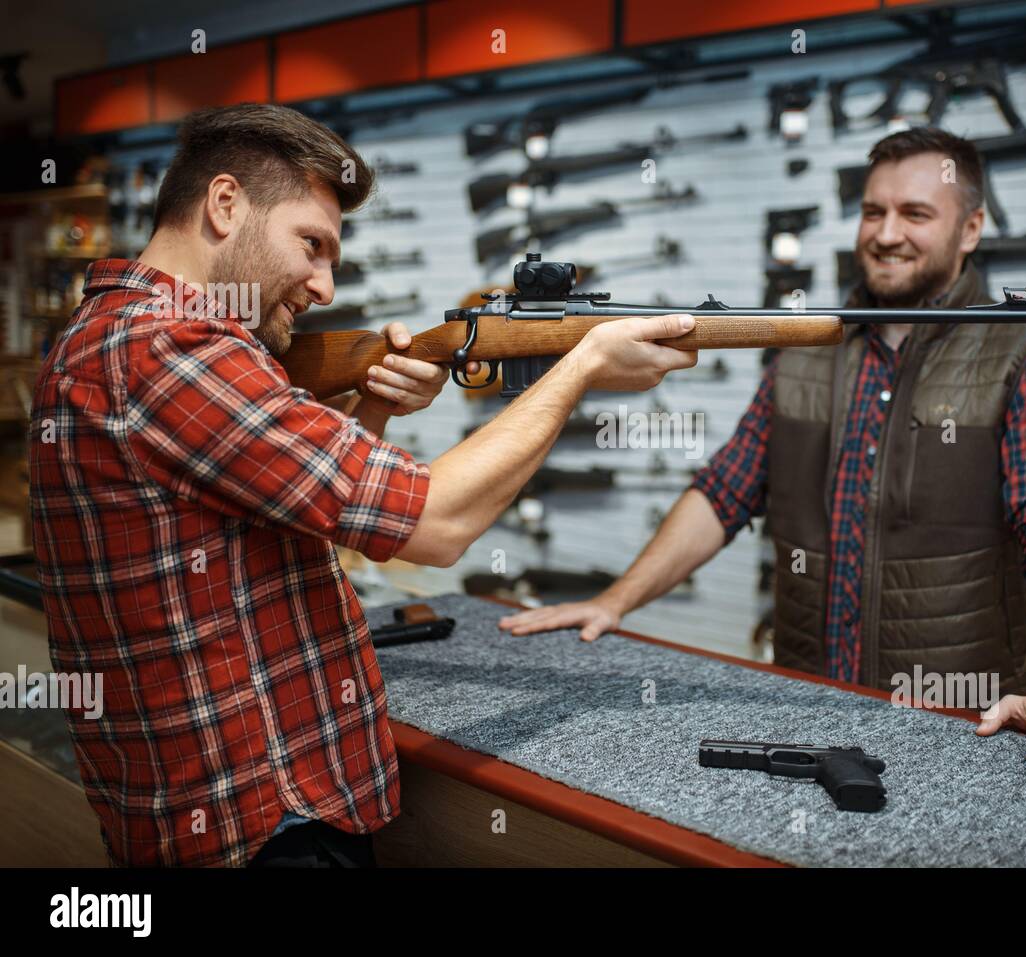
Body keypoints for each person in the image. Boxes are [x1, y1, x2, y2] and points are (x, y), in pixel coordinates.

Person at [27, 103, 698, 867]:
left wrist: (371, 405)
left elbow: (274, 521)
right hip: (265, 830)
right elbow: (438, 525)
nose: (323, 284)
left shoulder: (108, 335)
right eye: (311, 245)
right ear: (224, 205)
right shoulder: (172, 347)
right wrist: (580, 367)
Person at [501, 127, 1026, 776]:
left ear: (970, 228)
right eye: (872, 212)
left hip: (962, 730)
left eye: (916, 214)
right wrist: (615, 600)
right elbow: (725, 491)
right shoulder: (804, 351)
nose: (886, 234)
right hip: (806, 712)